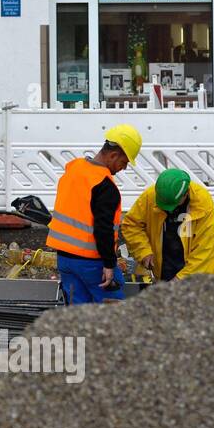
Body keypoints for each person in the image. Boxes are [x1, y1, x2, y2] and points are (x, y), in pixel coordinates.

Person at [46, 123, 142, 304]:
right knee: (110, 311)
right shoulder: (105, 185)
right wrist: (109, 263)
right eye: (124, 162)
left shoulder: (73, 170)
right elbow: (103, 229)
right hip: (92, 263)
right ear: (113, 155)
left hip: (65, 260)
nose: (124, 168)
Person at [122, 168, 214, 282]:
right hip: (164, 264)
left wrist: (180, 279)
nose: (168, 210)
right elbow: (131, 225)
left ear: (185, 194)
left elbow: (203, 251)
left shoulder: (202, 203)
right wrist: (143, 252)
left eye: (172, 204)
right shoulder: (151, 195)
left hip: (195, 269)